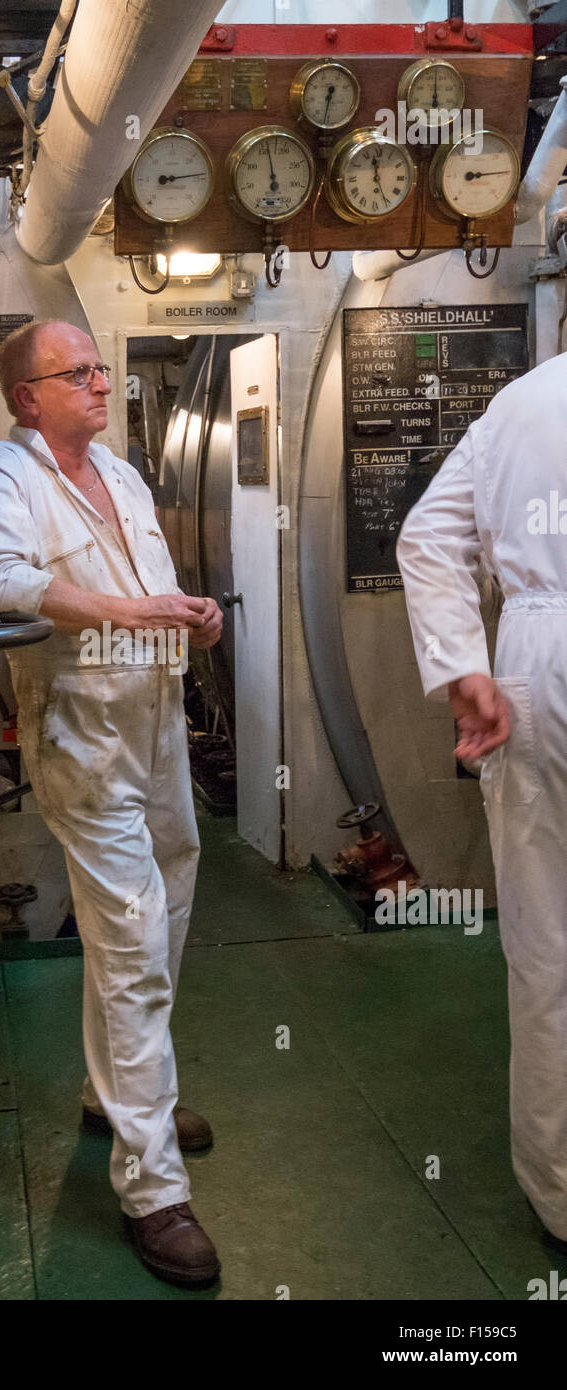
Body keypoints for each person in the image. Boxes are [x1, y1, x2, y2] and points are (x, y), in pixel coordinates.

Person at [0, 319, 224, 1284]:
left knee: (175, 898)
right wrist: (123, 612)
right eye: (79, 374)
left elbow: (148, 587)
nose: (101, 384)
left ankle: (118, 1098)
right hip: (84, 738)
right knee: (133, 943)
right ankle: (153, 1190)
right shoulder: (8, 477)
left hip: (153, 727)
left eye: (101, 369)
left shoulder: (125, 476)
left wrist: (188, 613)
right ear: (28, 396)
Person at [396, 351, 567, 1255]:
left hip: (534, 663)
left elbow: (424, 539)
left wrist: (466, 665)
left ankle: (560, 1192)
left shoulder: (521, 402)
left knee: (546, 947)